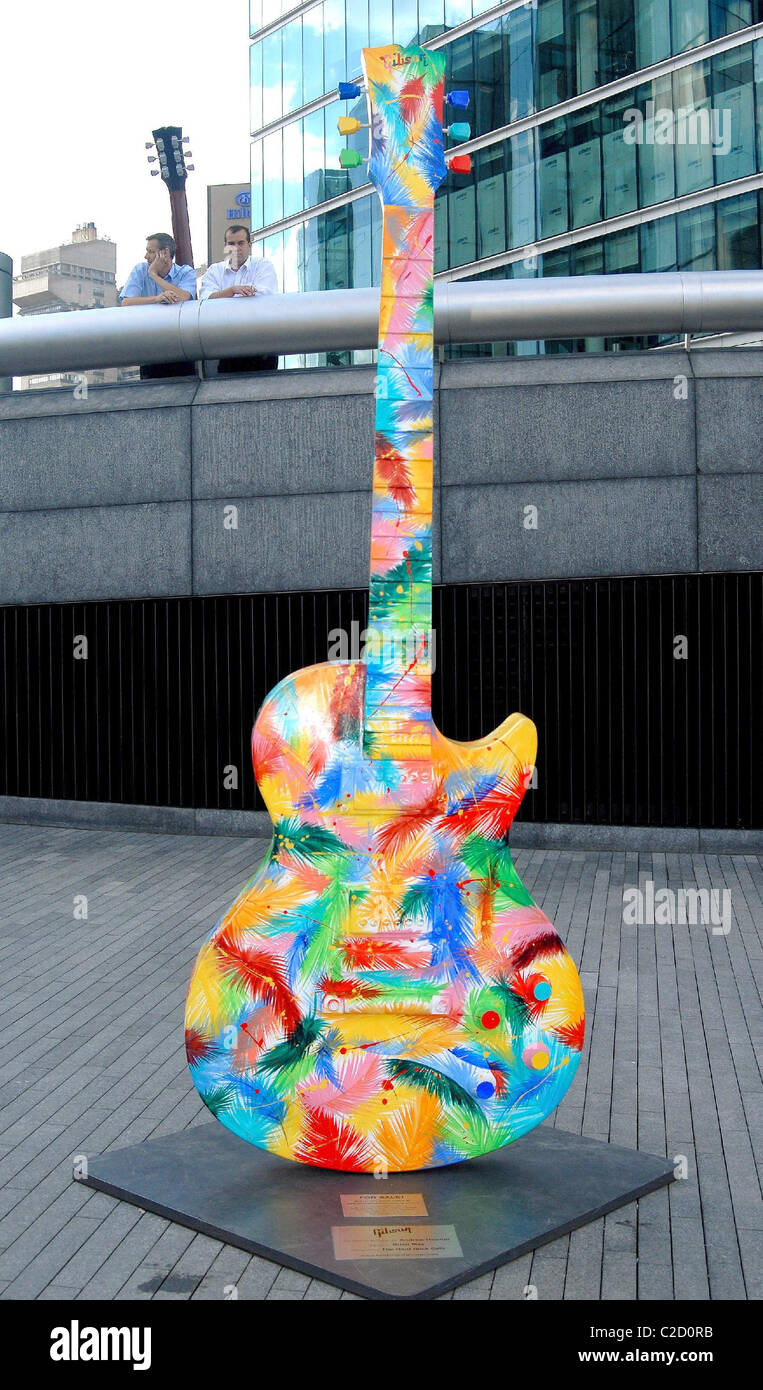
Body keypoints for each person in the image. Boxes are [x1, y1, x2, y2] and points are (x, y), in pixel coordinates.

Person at [199, 224, 278, 374]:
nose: (236, 248)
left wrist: (223, 296)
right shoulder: (214, 271)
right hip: (225, 347)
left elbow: (264, 298)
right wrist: (233, 290)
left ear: (249, 245)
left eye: (240, 243)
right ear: (225, 246)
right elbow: (204, 302)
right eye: (231, 244)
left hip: (260, 345)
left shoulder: (263, 266)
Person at [119, 233, 196, 379]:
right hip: (150, 348)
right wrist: (156, 299)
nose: (146, 256)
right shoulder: (140, 270)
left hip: (180, 347)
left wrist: (154, 274)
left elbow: (184, 297)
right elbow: (126, 302)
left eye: (150, 251)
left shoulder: (186, 272)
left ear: (165, 252)